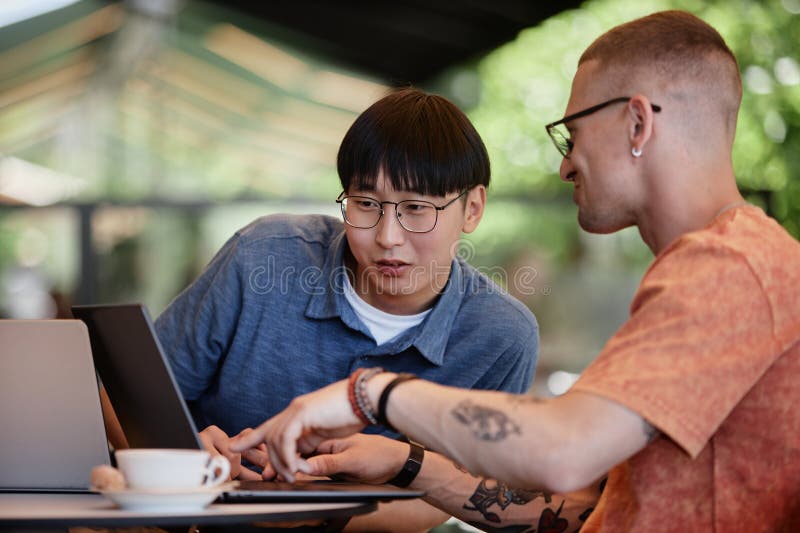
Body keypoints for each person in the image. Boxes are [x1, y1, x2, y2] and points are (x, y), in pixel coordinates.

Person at [231, 11, 800, 532]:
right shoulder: (717, 268)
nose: (565, 165)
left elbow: (563, 450)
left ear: (637, 123)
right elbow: (579, 511)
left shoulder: (730, 266)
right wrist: (410, 464)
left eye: (573, 133)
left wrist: (369, 393)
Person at [153, 87, 540, 530]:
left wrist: (304, 517)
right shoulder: (262, 256)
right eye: (366, 204)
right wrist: (178, 453)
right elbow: (124, 391)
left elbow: (455, 495)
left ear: (472, 209)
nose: (388, 237)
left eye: (416, 208)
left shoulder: (501, 336)